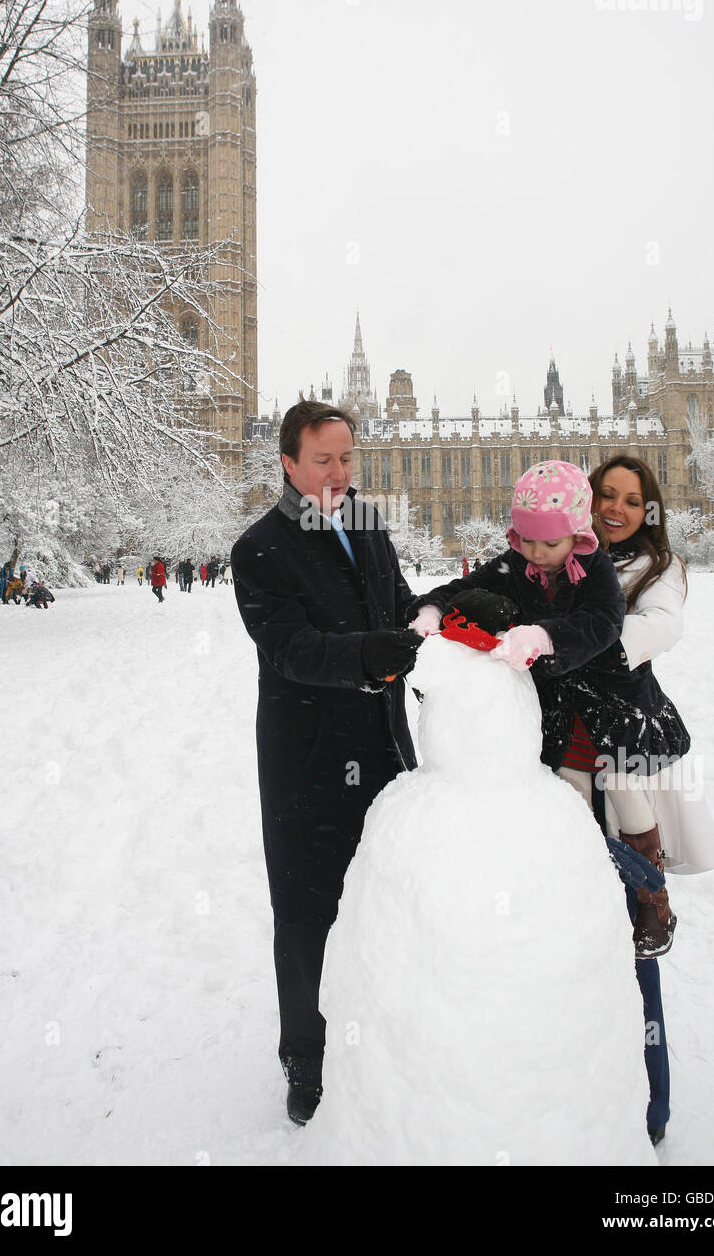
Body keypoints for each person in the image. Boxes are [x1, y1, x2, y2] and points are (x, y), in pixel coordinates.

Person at [410, 460, 689, 960]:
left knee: (626, 788)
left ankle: (653, 896)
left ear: (578, 535)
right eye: (528, 542)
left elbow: (605, 622)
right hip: (560, 711)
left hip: (613, 704)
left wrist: (544, 637)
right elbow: (458, 589)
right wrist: (431, 610)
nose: (537, 554)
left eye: (549, 544)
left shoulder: (597, 567)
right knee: (570, 796)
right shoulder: (519, 563)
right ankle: (586, 892)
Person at [232, 400, 421, 1127]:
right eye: (323, 461)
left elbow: (398, 608)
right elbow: (291, 649)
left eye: (347, 458)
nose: (339, 474)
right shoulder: (260, 548)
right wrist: (366, 657)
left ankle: (370, 1027)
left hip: (381, 746)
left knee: (376, 892)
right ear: (288, 462)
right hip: (308, 762)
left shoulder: (367, 523)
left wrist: (449, 613)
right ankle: (305, 1057)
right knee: (308, 909)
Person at [587, 454, 714, 1144]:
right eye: (606, 495)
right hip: (562, 757)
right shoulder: (564, 555)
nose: (617, 508)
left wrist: (590, 645)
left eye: (631, 500)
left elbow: (663, 623)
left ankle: (653, 1106)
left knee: (635, 941)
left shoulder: (657, 569)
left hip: (622, 753)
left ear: (649, 511)